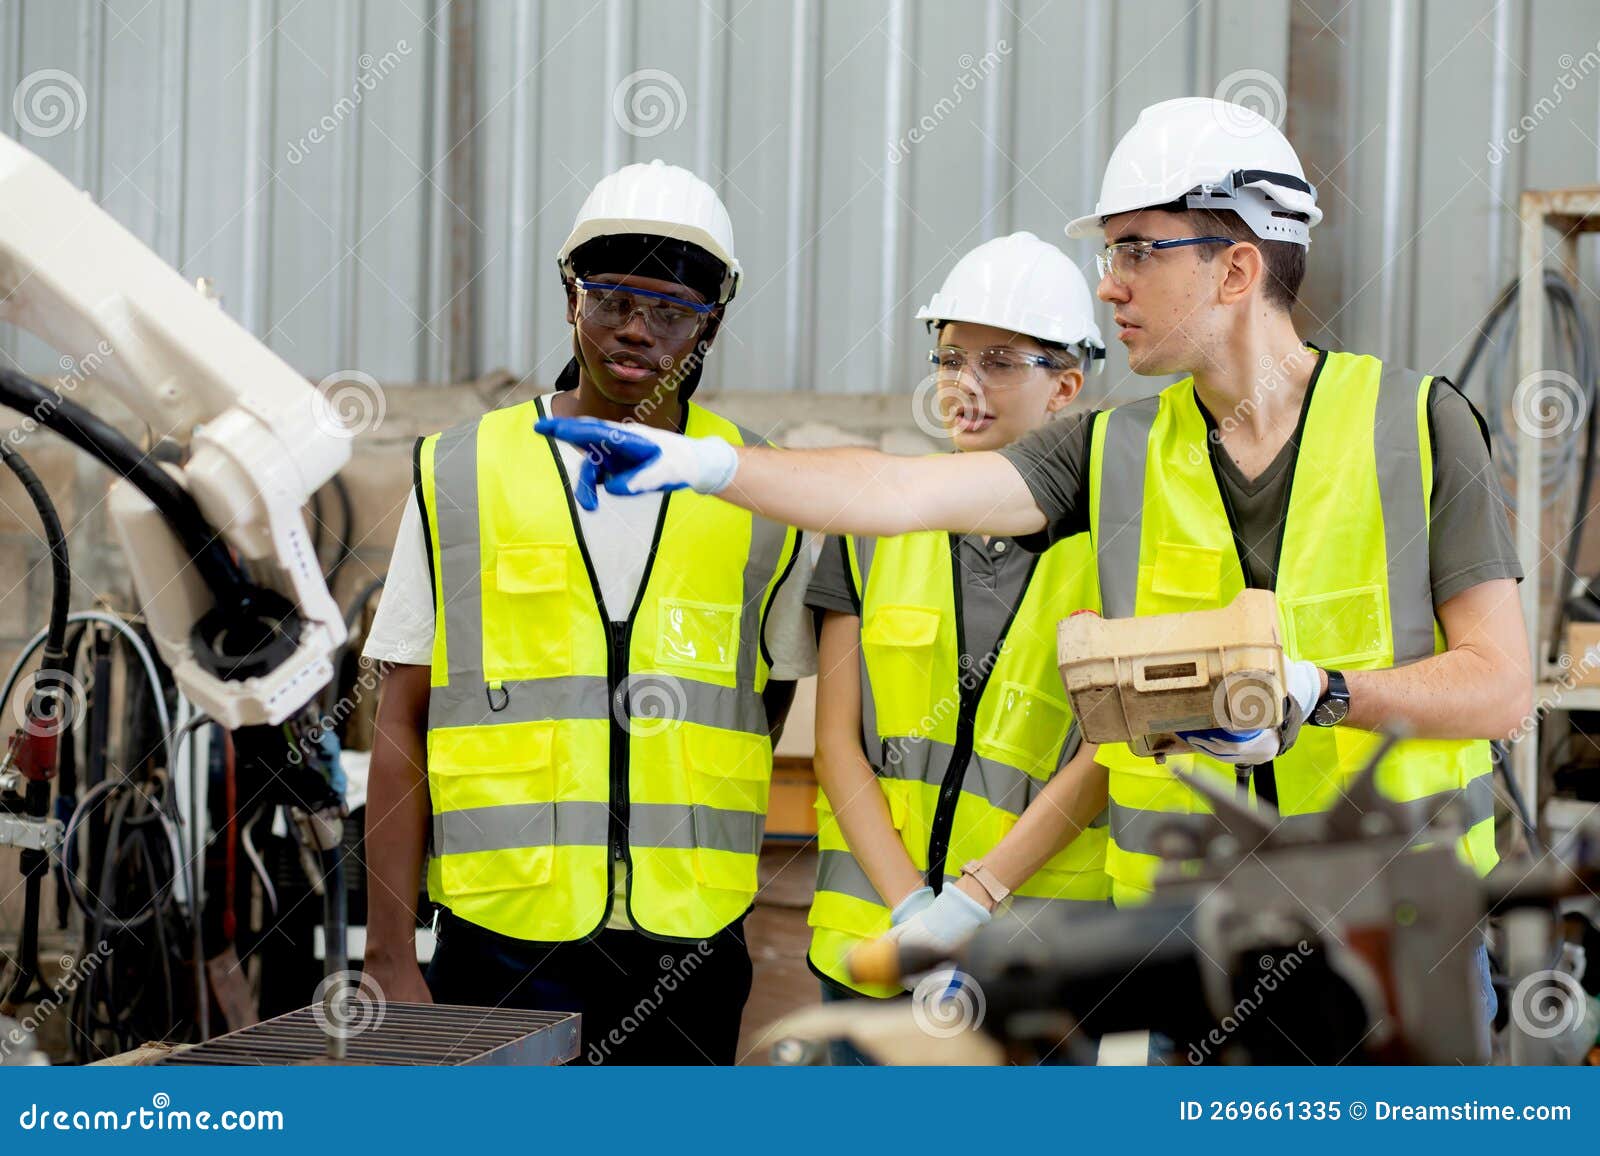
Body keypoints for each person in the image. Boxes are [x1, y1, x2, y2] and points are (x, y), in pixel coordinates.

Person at [536, 98, 1531, 921]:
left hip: (1398, 933)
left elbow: (1499, 690)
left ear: (1235, 268)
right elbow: (897, 491)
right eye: (1109, 252)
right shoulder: (1113, 448)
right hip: (1187, 940)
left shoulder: (1416, 423)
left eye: (1137, 251)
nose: (1108, 286)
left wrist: (1323, 693)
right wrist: (702, 464)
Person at [361, 159, 816, 1065]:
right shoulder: (460, 471)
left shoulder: (762, 486)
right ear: (571, 296)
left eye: (671, 311)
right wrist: (386, 955)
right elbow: (402, 718)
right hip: (501, 941)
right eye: (612, 299)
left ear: (710, 323)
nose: (637, 332)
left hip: (688, 940)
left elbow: (757, 702)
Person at [804, 234, 1112, 1064]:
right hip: (873, 952)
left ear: (1066, 386)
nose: (965, 388)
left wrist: (972, 904)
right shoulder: (871, 527)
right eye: (951, 359)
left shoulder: (1116, 545)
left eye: (1002, 362)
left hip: (1036, 968)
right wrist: (914, 914)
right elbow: (837, 744)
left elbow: (1105, 755)